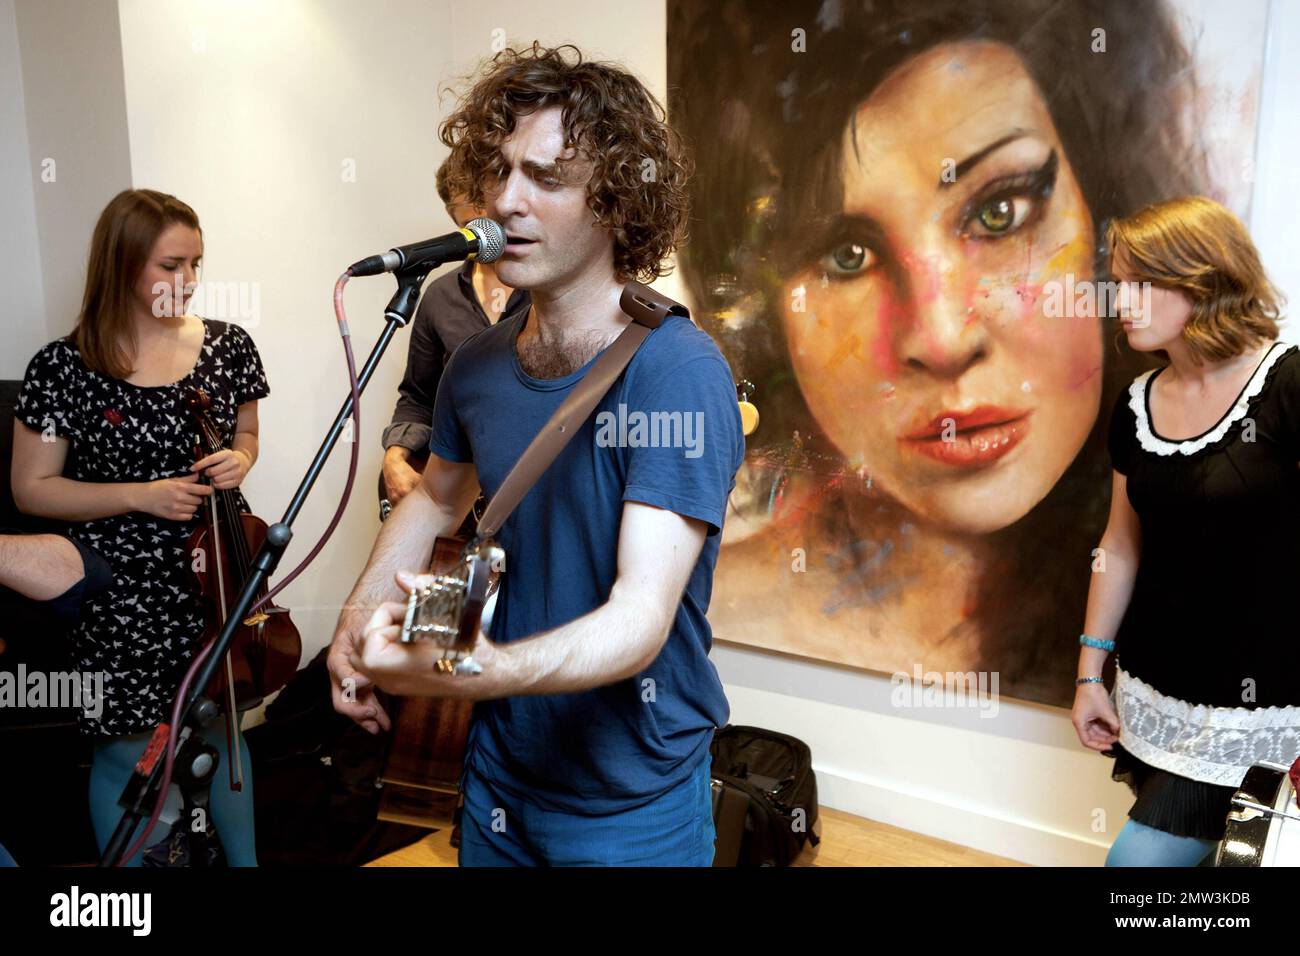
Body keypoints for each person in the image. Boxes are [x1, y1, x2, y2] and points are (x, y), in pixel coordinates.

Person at [669, 0, 1217, 703]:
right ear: (770, 312)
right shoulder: (708, 613)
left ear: (1107, 218)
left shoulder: (1202, 598)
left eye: (1000, 213)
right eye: (846, 254)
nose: (942, 338)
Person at [327, 42, 745, 866]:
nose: (506, 202)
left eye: (547, 179)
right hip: (497, 781)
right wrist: (351, 625)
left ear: (617, 206)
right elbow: (437, 499)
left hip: (631, 800)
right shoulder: (478, 363)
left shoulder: (677, 372)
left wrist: (479, 671)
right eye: (502, 170)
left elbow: (640, 619)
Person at [10, 189, 270, 866]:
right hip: (119, 585)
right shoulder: (62, 368)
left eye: (196, 265)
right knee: (129, 742)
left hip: (215, 569)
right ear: (123, 266)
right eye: (170, 266)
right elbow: (30, 489)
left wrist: (238, 461)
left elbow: (246, 434)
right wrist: (141, 496)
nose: (187, 282)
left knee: (221, 735)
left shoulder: (229, 345)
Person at [1071, 195, 1300, 866]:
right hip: (1161, 692)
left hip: (1272, 708)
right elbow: (1119, 544)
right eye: (1120, 283)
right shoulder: (1136, 402)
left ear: (1202, 282)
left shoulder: (1288, 383)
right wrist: (1091, 670)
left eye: (1144, 283)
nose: (1125, 302)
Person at [381, 160, 530, 509]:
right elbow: (418, 396)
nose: (487, 236)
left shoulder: (549, 291)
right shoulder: (439, 296)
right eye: (471, 226)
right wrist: (394, 458)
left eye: (493, 221)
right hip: (457, 498)